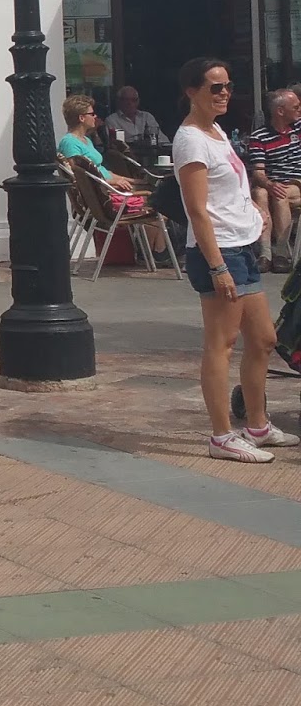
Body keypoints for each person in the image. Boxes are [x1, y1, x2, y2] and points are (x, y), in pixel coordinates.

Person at [172, 57, 298, 463]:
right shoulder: (191, 139)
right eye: (215, 87)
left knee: (263, 339)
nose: (224, 93)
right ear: (192, 91)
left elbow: (230, 189)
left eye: (227, 85)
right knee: (220, 343)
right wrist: (217, 266)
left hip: (241, 246)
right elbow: (197, 209)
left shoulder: (217, 131)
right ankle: (221, 434)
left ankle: (257, 424)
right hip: (219, 251)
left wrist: (254, 212)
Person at [58, 95, 168, 257]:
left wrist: (132, 180)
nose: (95, 117)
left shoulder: (86, 141)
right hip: (101, 197)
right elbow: (84, 177)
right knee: (159, 204)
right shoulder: (70, 143)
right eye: (92, 114)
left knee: (158, 197)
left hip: (106, 189)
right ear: (82, 118)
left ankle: (155, 252)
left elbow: (101, 170)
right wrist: (114, 184)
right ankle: (156, 253)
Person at [247, 89, 301, 273]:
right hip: (274, 183)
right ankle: (266, 255)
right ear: (280, 111)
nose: (299, 109)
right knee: (259, 192)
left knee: (280, 193)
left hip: (296, 182)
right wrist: (269, 184)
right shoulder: (259, 137)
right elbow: (258, 172)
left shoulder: (299, 128)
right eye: (295, 107)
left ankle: (281, 252)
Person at [104, 85, 163, 151]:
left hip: (149, 153)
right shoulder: (112, 120)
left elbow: (161, 139)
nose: (130, 103)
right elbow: (112, 145)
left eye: (134, 100)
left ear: (138, 102)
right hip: (126, 155)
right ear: (119, 101)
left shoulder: (147, 116)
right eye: (126, 100)